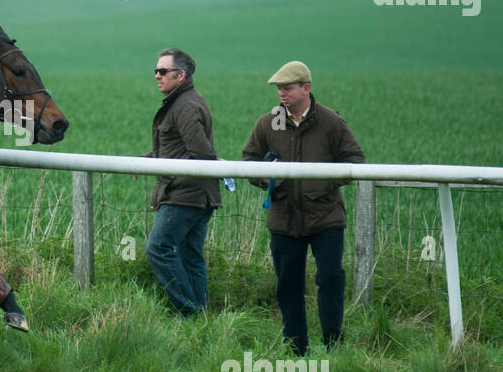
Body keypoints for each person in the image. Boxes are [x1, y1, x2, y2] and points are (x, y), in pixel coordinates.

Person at [241, 61, 365, 355]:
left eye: (287, 88)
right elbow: (247, 163)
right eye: (278, 89)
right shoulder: (267, 123)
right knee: (288, 286)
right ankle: (295, 348)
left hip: (325, 218)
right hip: (284, 219)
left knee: (331, 279)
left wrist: (322, 185)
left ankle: (333, 345)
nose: (281, 93)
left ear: (305, 88)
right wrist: (266, 175)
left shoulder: (331, 122)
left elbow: (356, 162)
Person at [143, 48, 221, 317]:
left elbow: (200, 152)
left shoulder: (185, 105)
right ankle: (200, 318)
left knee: (159, 247)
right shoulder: (184, 100)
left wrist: (174, 177)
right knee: (190, 257)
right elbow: (179, 149)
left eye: (163, 71)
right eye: (156, 70)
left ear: (181, 75)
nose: (157, 76)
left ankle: (188, 312)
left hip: (185, 195)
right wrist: (147, 160)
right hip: (198, 193)